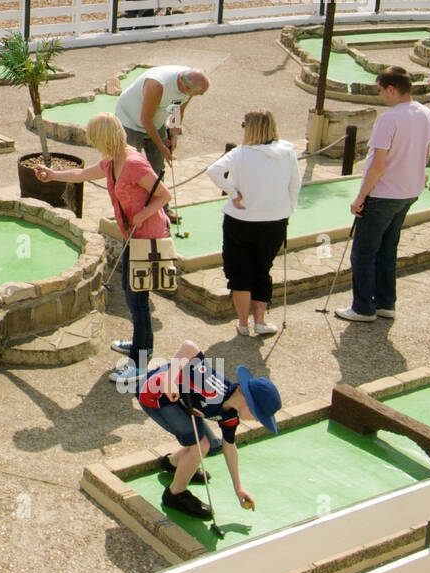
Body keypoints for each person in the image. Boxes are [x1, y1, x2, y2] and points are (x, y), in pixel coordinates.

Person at [35, 113, 169, 383]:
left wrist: (143, 215)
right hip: (134, 235)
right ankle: (140, 345)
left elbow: (163, 195)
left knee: (138, 299)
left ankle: (141, 362)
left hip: (149, 236)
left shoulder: (134, 163)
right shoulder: (112, 160)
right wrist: (53, 175)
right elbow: (83, 174)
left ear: (104, 137)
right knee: (133, 294)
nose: (93, 143)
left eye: (94, 138)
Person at [136, 340, 281, 519]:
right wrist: (169, 381)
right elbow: (189, 347)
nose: (257, 420)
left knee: (212, 445)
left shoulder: (231, 415)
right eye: (258, 415)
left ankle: (172, 463)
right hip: (155, 396)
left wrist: (238, 488)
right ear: (249, 404)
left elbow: (229, 446)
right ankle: (175, 494)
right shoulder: (211, 386)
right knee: (200, 446)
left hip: (182, 401)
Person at [336, 67, 430, 323]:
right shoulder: (426, 112)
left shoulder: (389, 119)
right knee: (388, 248)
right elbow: (425, 155)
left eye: (381, 90)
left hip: (383, 194)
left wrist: (360, 197)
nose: (381, 95)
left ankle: (362, 308)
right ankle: (385, 303)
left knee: (364, 251)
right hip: (409, 191)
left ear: (391, 88)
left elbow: (377, 165)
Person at [206, 109, 301, 337]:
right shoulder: (287, 152)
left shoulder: (240, 153)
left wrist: (233, 192)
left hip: (240, 220)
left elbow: (214, 171)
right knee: (262, 270)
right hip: (273, 222)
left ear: (250, 128)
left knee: (239, 273)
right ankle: (260, 321)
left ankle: (242, 323)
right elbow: (294, 185)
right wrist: (287, 210)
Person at [113, 65, 209, 175]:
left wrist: (174, 136)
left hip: (155, 124)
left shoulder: (193, 81)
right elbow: (146, 119)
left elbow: (178, 110)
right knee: (130, 166)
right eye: (200, 93)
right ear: (187, 88)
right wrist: (161, 147)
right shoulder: (158, 85)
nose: (201, 94)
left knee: (158, 165)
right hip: (130, 122)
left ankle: (156, 190)